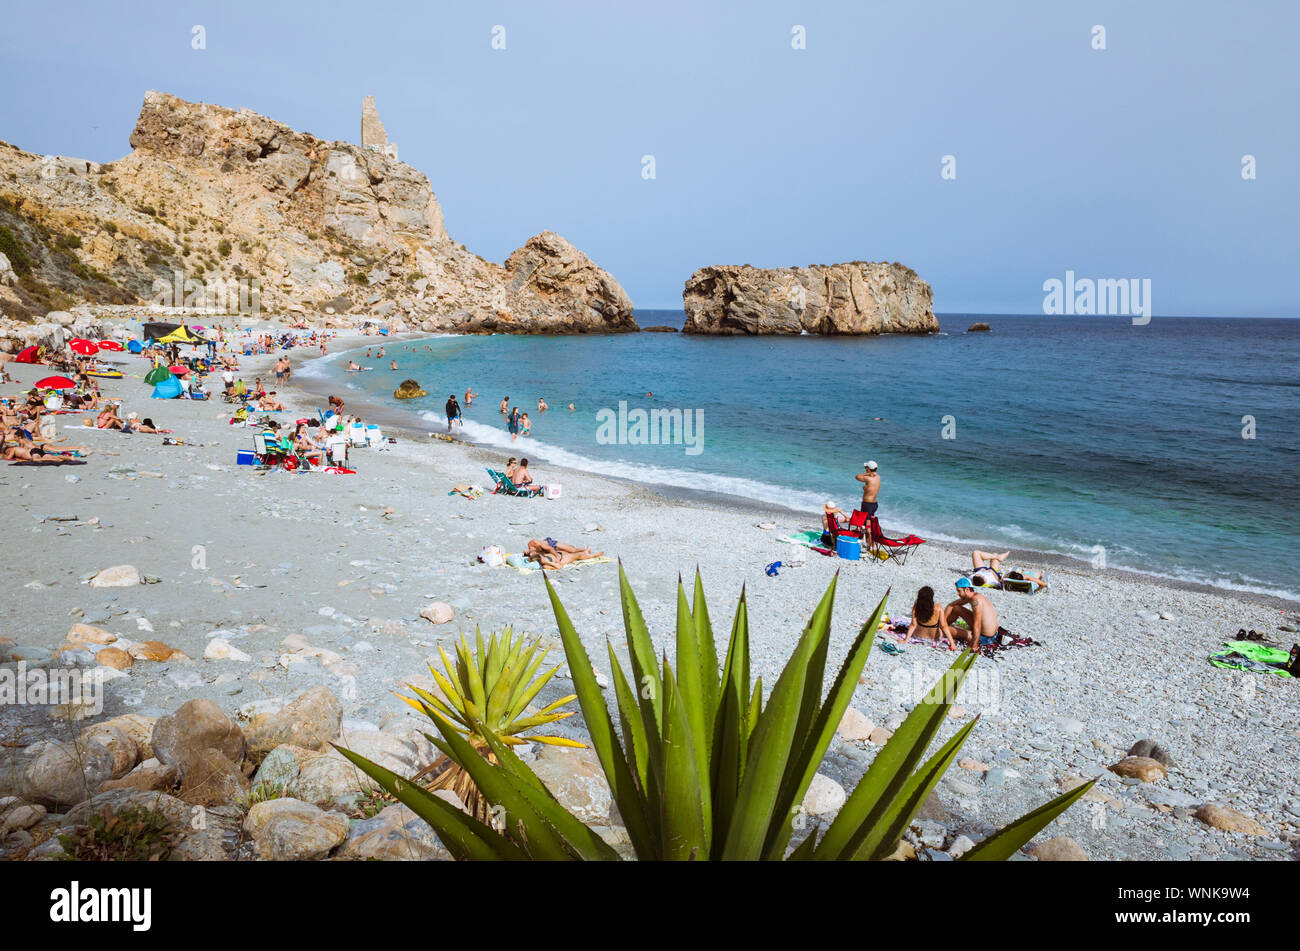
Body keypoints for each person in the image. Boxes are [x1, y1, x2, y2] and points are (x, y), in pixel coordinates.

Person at [944, 578, 1000, 650]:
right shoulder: (974, 596)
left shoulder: (976, 601)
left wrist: (974, 645)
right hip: (993, 633)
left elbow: (977, 624)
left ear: (967, 589)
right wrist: (942, 623)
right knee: (956, 608)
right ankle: (943, 625)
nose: (957, 594)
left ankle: (941, 628)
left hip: (985, 638)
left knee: (945, 630)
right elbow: (951, 605)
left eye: (959, 591)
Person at [525, 538, 604, 571]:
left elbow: (550, 549)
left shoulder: (538, 551)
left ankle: (585, 551)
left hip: (557, 553)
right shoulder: (544, 563)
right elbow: (559, 566)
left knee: (572, 550)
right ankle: (592, 555)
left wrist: (556, 556)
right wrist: (548, 561)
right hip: (561, 559)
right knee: (577, 555)